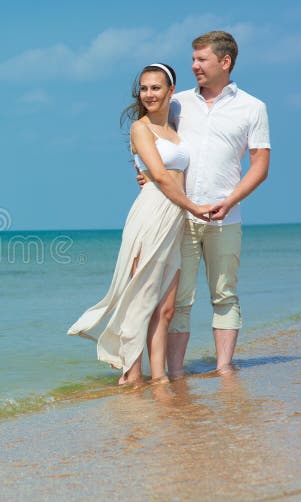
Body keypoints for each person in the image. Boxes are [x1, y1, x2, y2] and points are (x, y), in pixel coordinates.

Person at [67, 63, 213, 385]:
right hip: (151, 215)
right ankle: (131, 376)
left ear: (170, 91)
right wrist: (194, 207)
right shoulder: (140, 129)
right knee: (139, 300)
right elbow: (160, 175)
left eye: (156, 87)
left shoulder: (176, 129)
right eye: (144, 88)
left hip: (174, 220)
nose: (149, 94)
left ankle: (158, 377)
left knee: (166, 309)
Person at [156, 31, 271, 377]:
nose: (193, 66)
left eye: (201, 59)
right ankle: (176, 374)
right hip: (182, 215)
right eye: (193, 59)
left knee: (224, 295)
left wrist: (229, 200)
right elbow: (154, 141)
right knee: (180, 300)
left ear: (225, 62)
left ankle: (224, 370)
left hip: (226, 217)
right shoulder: (178, 103)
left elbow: (260, 165)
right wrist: (146, 173)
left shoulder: (253, 107)